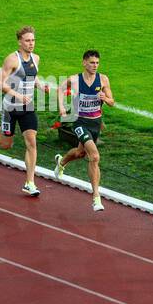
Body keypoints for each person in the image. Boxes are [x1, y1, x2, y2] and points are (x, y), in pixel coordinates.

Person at [0, 26, 43, 196]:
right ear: (20, 42)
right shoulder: (11, 59)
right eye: (28, 41)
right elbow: (0, 83)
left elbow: (31, 76)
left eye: (33, 40)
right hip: (10, 108)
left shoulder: (36, 58)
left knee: (31, 142)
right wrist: (18, 95)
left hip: (27, 108)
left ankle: (30, 182)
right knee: (5, 144)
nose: (31, 44)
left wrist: (40, 85)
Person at [55, 50, 114, 212]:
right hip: (79, 122)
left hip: (95, 123)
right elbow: (60, 89)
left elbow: (112, 102)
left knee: (81, 153)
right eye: (91, 62)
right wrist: (61, 107)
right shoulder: (74, 80)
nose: (94, 66)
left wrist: (105, 98)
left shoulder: (103, 79)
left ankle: (61, 162)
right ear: (84, 63)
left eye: (97, 63)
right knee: (94, 157)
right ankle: (96, 198)